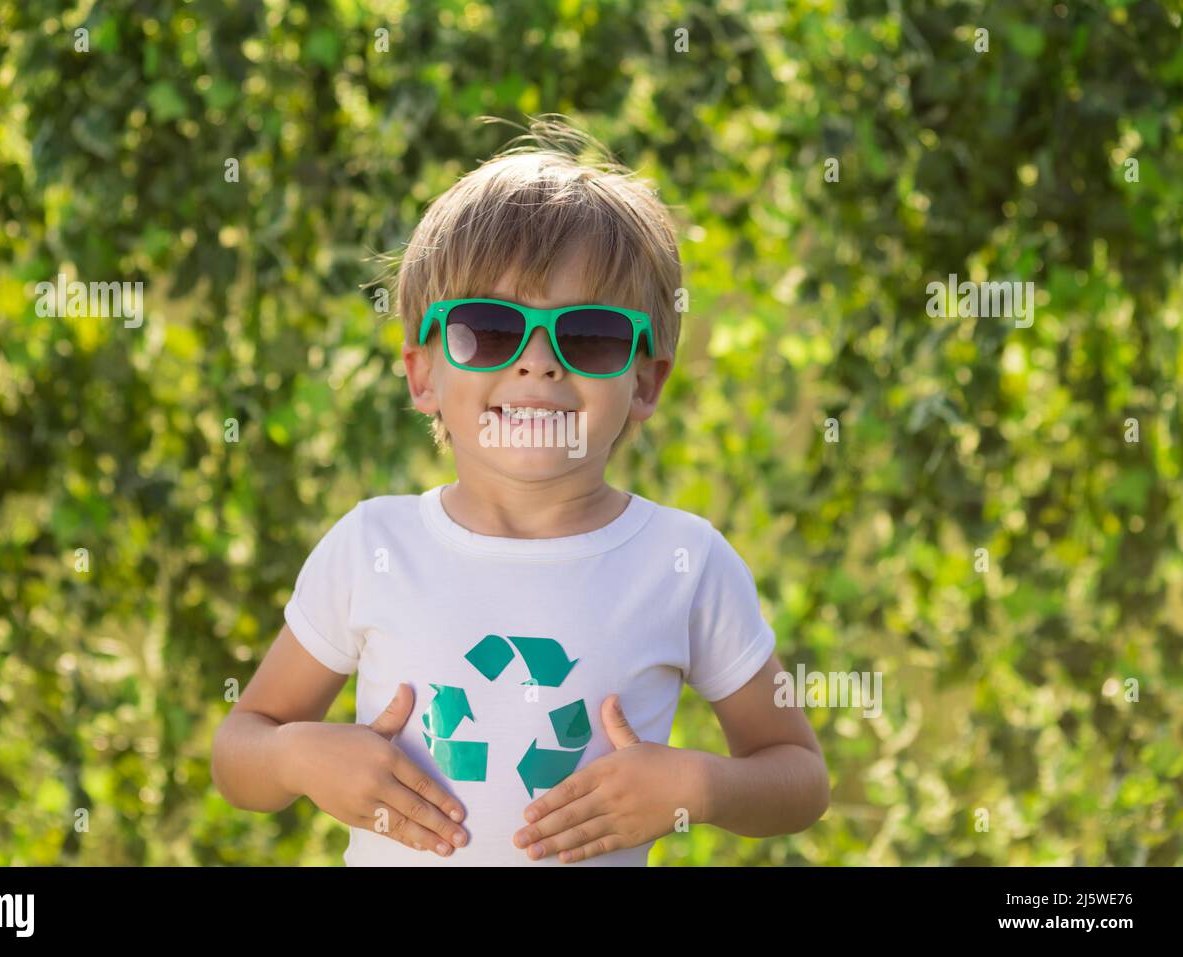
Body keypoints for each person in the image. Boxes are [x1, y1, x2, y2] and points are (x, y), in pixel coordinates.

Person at [211, 118, 829, 866]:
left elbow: (799, 776)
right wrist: (301, 760)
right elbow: (239, 750)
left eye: (592, 334)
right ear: (422, 374)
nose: (538, 362)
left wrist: (696, 786)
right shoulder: (372, 547)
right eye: (488, 329)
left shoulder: (685, 561)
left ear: (645, 379)